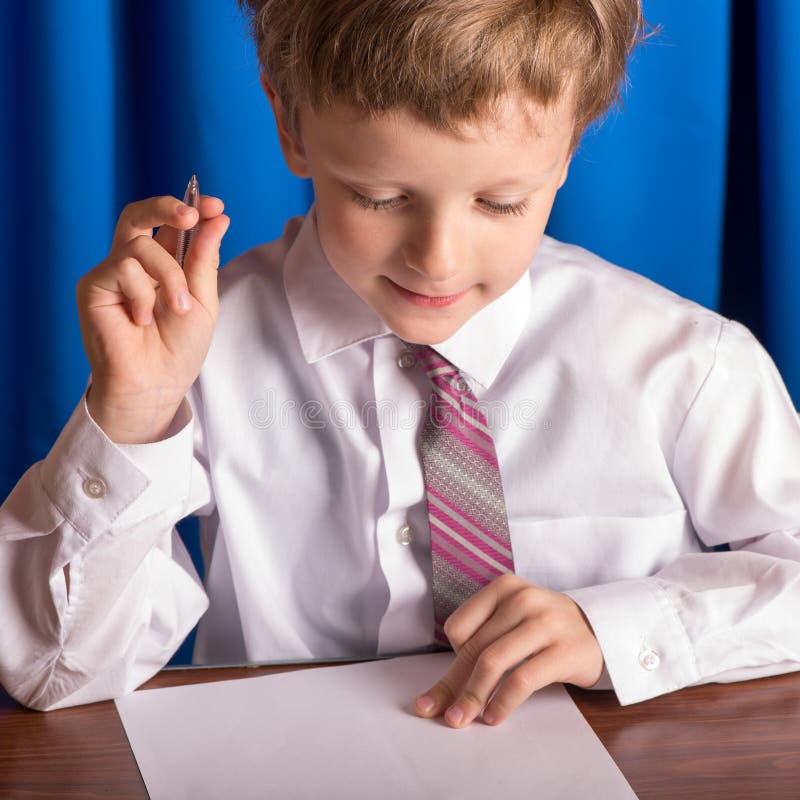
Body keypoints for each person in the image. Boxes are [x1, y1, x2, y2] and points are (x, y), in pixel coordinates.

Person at [2, 0, 799, 725]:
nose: (439, 261)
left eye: (500, 203)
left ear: (569, 146)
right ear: (291, 126)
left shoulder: (683, 363)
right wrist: (134, 411)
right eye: (380, 198)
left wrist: (614, 629)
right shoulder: (203, 351)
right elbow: (56, 674)